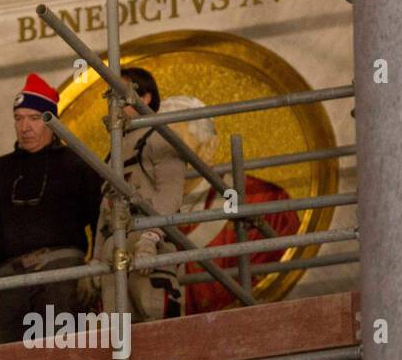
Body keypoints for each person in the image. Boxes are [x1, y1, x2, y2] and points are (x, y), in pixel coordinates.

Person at [0, 73, 103, 346]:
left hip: (61, 268)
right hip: (9, 276)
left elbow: (102, 219)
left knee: (59, 347)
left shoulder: (77, 164)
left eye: (35, 118)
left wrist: (95, 267)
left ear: (52, 122)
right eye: (19, 118)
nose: (25, 127)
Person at [161, 95, 301, 313]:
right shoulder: (136, 204)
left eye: (173, 143)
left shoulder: (265, 201)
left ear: (208, 148)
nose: (159, 158)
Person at [92, 67, 185, 320]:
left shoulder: (158, 135)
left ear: (144, 97)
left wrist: (152, 235)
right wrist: (97, 257)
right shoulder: (114, 150)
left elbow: (171, 192)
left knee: (155, 314)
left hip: (148, 237)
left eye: (120, 94)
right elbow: (105, 206)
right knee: (117, 332)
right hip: (115, 243)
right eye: (110, 96)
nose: (114, 102)